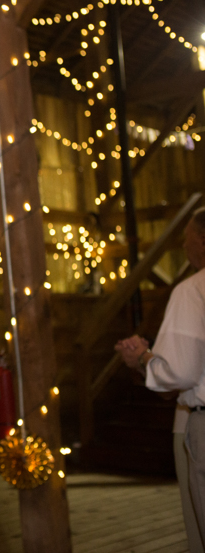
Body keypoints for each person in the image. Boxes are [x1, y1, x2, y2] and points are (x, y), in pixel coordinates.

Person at [116, 207, 205, 550]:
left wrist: (142, 358)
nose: (184, 248)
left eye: (185, 240)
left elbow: (180, 371)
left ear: (201, 240)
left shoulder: (192, 291)